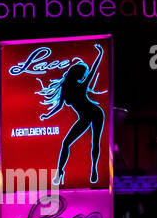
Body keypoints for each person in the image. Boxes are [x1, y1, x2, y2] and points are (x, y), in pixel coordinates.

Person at [36, 43, 107, 186]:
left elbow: (93, 70)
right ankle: (60, 172)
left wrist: (100, 53)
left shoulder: (81, 85)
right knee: (66, 143)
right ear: (78, 74)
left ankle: (94, 169)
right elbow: (59, 105)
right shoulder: (66, 87)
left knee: (95, 142)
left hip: (96, 113)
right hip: (85, 117)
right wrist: (47, 116)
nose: (84, 76)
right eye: (82, 74)